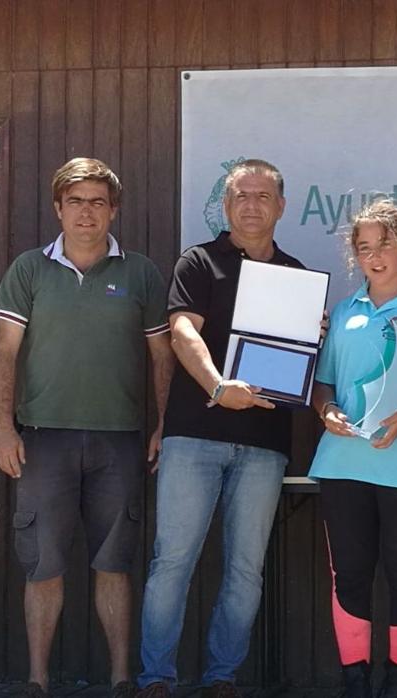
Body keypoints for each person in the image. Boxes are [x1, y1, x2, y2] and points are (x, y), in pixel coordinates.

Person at [0, 158, 174, 698]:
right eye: (75, 201)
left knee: (114, 562)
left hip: (120, 441)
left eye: (97, 201)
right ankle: (37, 682)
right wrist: (4, 428)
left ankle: (122, 679)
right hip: (42, 438)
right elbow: (3, 352)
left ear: (113, 210)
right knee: (43, 564)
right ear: (57, 208)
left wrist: (162, 424)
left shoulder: (140, 272)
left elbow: (162, 356)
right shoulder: (28, 270)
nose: (86, 212)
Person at [135, 159, 305, 698]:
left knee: (245, 570)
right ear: (226, 205)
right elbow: (183, 332)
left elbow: (300, 363)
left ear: (281, 206)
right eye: (241, 196)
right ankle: (156, 678)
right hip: (194, 435)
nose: (252, 205)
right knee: (173, 562)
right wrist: (217, 387)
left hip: (265, 443)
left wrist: (310, 335)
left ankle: (221, 678)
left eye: (263, 196)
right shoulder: (199, 261)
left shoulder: (297, 276)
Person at [310, 200, 397, 698]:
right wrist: (325, 412)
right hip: (341, 466)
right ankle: (356, 683)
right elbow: (322, 384)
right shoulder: (344, 312)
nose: (375, 256)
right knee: (347, 578)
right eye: (364, 248)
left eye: (384, 244)